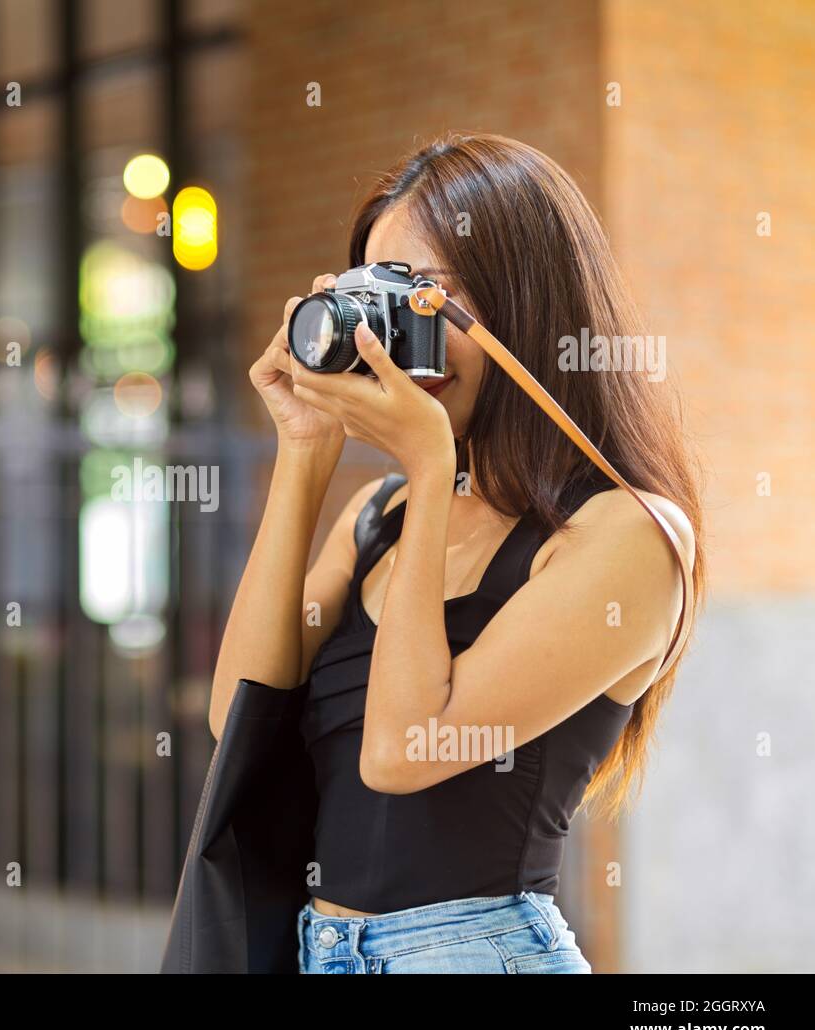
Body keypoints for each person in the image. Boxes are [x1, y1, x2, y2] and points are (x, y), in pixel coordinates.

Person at [207, 133, 702, 974]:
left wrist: (432, 469)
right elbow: (237, 719)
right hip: (318, 951)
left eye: (427, 292)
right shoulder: (377, 518)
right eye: (380, 293)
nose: (402, 331)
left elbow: (403, 751)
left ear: (528, 299)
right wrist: (305, 449)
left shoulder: (627, 534)